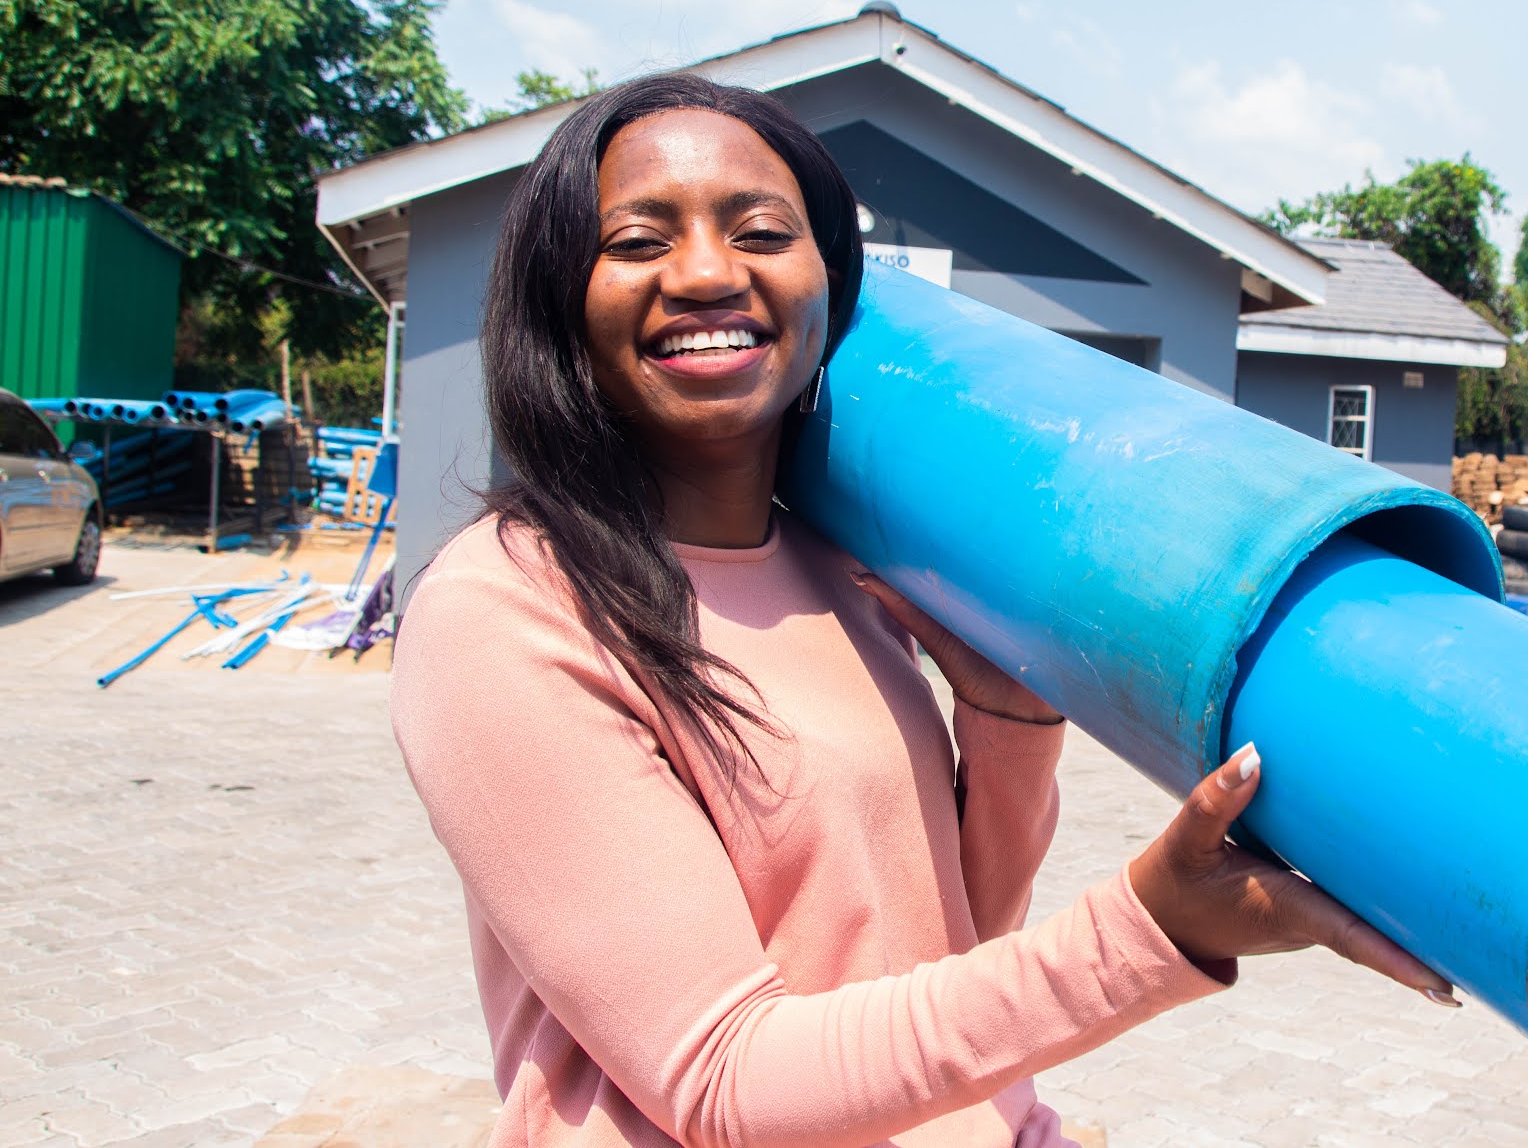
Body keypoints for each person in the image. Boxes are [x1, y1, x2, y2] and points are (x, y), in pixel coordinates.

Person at [390, 72, 1456, 1148]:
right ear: (558, 302)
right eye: (636, 241)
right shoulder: (510, 610)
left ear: (828, 283)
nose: (709, 273)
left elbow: (939, 944)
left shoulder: (842, 565)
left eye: (761, 230)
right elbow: (721, 1080)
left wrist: (1008, 725)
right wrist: (1146, 926)